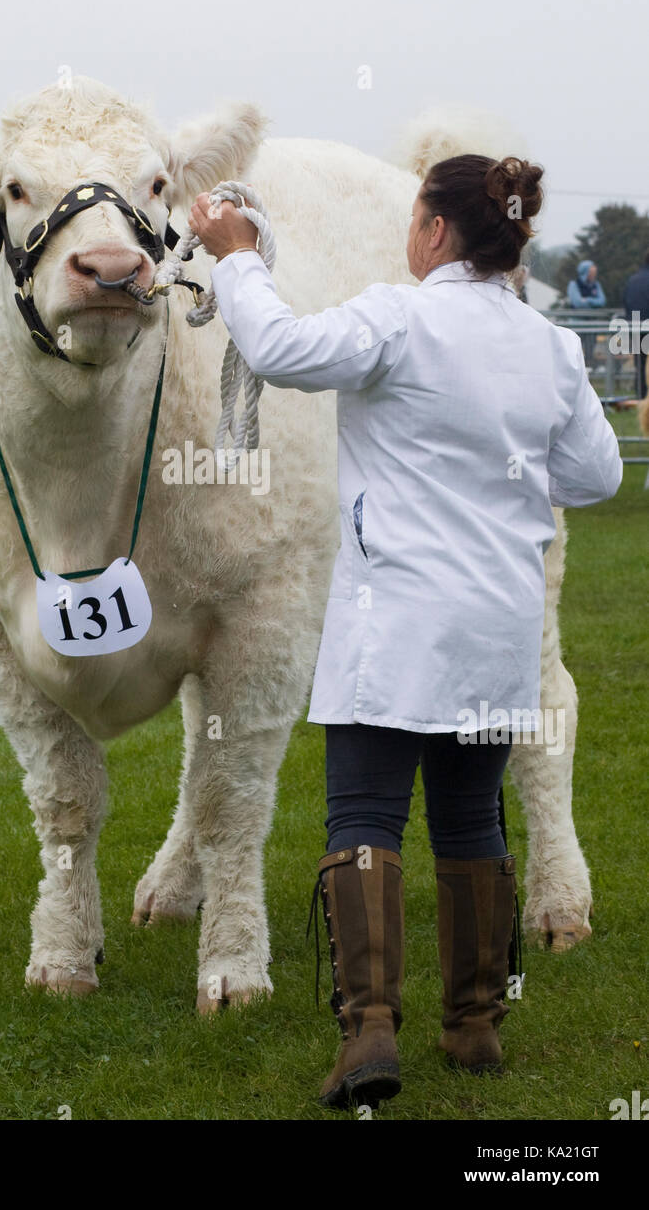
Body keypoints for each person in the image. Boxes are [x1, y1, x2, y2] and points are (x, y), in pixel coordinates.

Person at [190, 155, 623, 1113]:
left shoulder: (397, 314)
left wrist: (237, 256)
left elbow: (277, 348)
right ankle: (473, 1028)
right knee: (472, 822)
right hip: (497, 623)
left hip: (394, 625)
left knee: (365, 819)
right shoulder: (550, 346)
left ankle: (370, 1033)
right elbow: (599, 477)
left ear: (434, 231)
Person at [566, 259, 606, 368]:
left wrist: (587, 300)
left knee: (590, 351)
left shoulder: (596, 285)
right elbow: (577, 302)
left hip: (591, 324)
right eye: (591, 273)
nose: (593, 276)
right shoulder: (574, 284)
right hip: (577, 325)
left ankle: (589, 371)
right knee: (575, 350)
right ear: (586, 272)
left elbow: (602, 301)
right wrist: (593, 302)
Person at [622, 248, 649, 400]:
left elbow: (626, 301)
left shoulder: (633, 279)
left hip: (635, 326)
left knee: (640, 364)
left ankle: (641, 396)